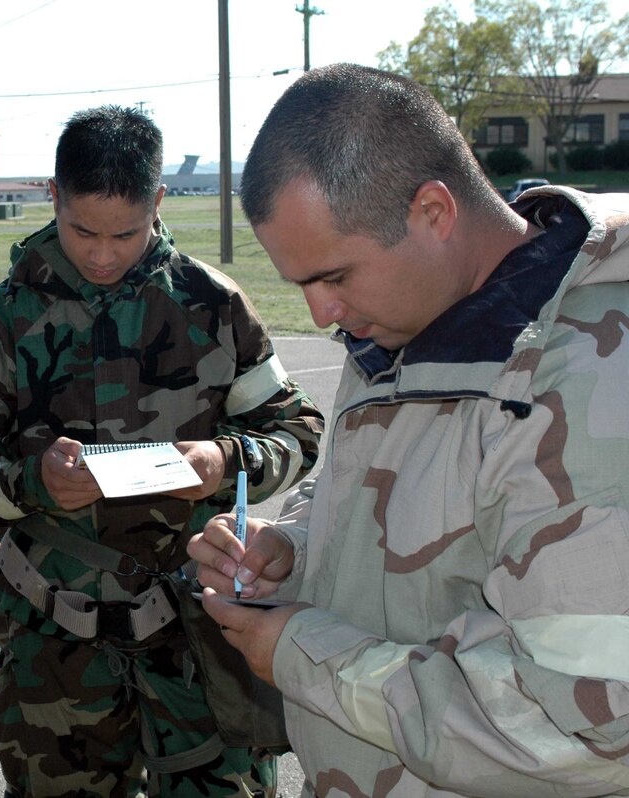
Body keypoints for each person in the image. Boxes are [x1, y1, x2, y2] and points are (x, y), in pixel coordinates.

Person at [187, 63, 629, 797]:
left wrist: (303, 654)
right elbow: (376, 496)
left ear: (433, 211)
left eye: (334, 277)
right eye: (303, 284)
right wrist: (292, 551)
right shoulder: (403, 319)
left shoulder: (588, 380)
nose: (322, 313)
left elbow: (586, 726)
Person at [0, 105, 324, 797]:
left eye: (126, 232)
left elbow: (297, 432)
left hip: (198, 637)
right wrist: (33, 483)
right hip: (51, 647)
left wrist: (223, 462)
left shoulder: (212, 304)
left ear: (159, 202)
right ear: (53, 197)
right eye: (83, 230)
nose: (103, 255)